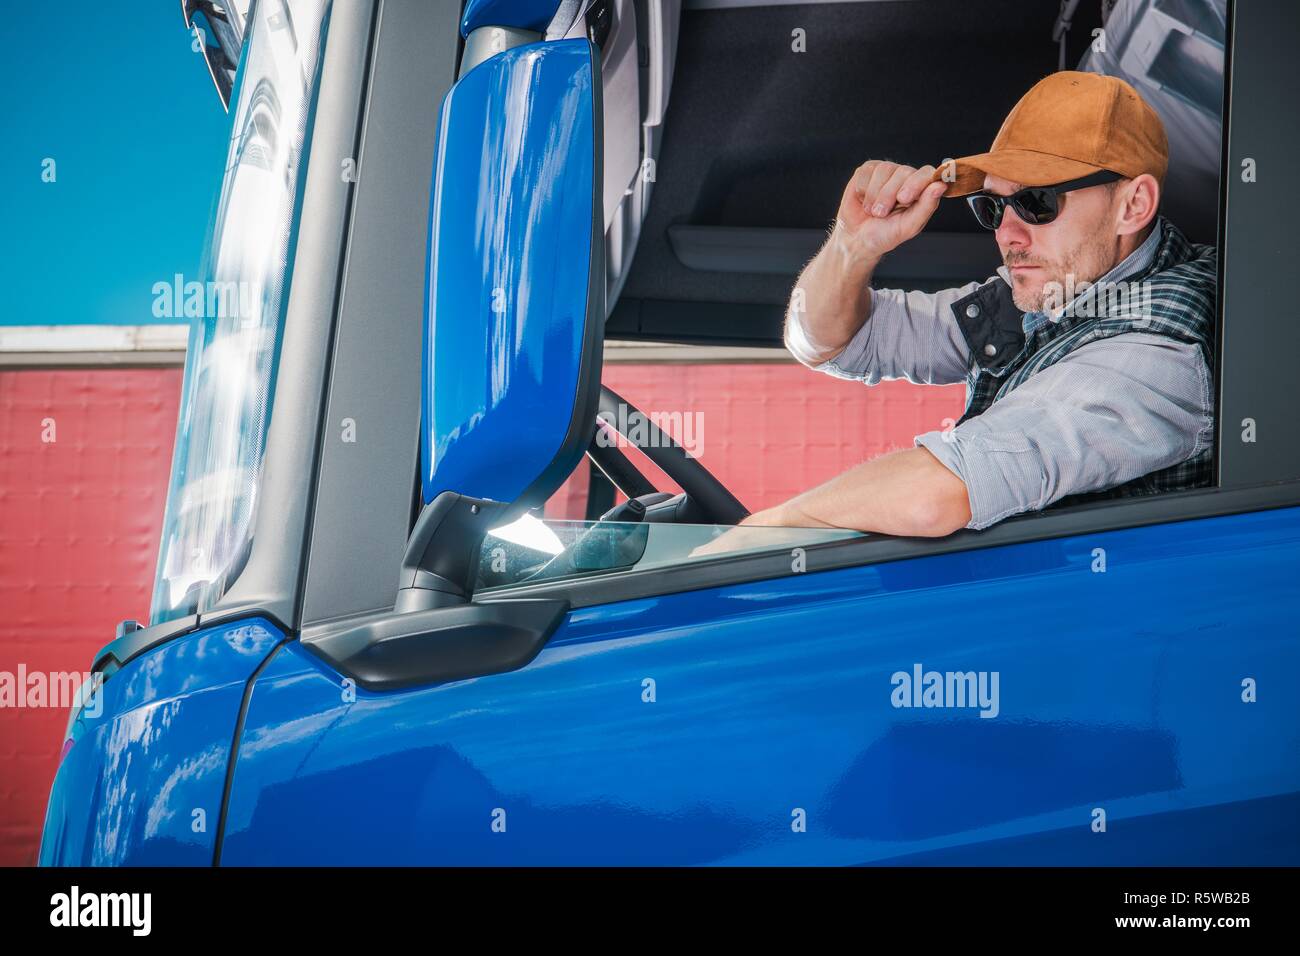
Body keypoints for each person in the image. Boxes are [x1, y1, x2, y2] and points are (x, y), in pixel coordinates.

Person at [739, 70, 1216, 538]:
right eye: (993, 207)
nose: (1007, 232)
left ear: (1132, 206)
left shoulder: (1163, 348)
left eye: (1037, 202)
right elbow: (825, 343)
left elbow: (940, 493)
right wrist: (852, 245)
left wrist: (754, 535)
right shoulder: (1054, 292)